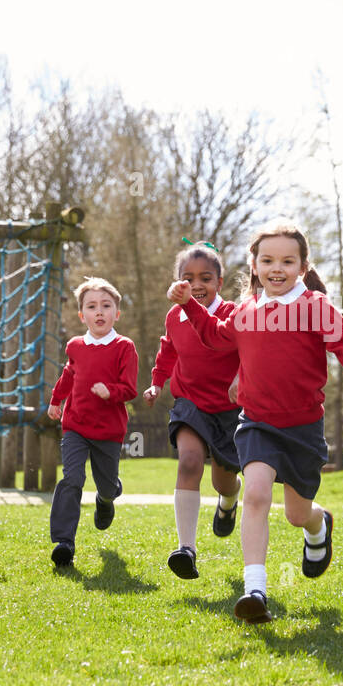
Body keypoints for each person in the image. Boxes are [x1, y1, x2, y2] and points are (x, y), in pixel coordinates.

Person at [167, 220, 343, 623]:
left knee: (297, 514)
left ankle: (319, 524)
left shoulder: (315, 307)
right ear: (255, 265)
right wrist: (188, 304)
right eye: (268, 260)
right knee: (257, 495)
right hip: (256, 423)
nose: (277, 268)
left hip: (302, 428)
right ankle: (255, 591)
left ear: (302, 265)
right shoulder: (245, 312)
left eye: (287, 260)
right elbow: (213, 335)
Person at [143, 241, 243, 580]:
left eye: (206, 278)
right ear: (177, 282)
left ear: (219, 281)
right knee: (188, 463)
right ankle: (186, 548)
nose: (197, 285)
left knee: (224, 480)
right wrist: (158, 382)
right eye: (188, 277)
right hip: (189, 403)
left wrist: (242, 378)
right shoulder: (174, 316)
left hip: (229, 410)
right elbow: (167, 351)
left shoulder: (233, 314)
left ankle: (229, 503)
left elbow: (251, 353)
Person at [46, 277, 139, 569]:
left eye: (106, 306)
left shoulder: (125, 347)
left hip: (109, 431)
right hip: (75, 426)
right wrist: (55, 400)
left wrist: (110, 391)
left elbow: (130, 388)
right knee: (72, 479)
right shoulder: (75, 346)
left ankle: (107, 497)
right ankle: (64, 543)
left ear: (117, 314)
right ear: (81, 315)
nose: (99, 312)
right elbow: (68, 376)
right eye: (92, 306)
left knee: (107, 485)